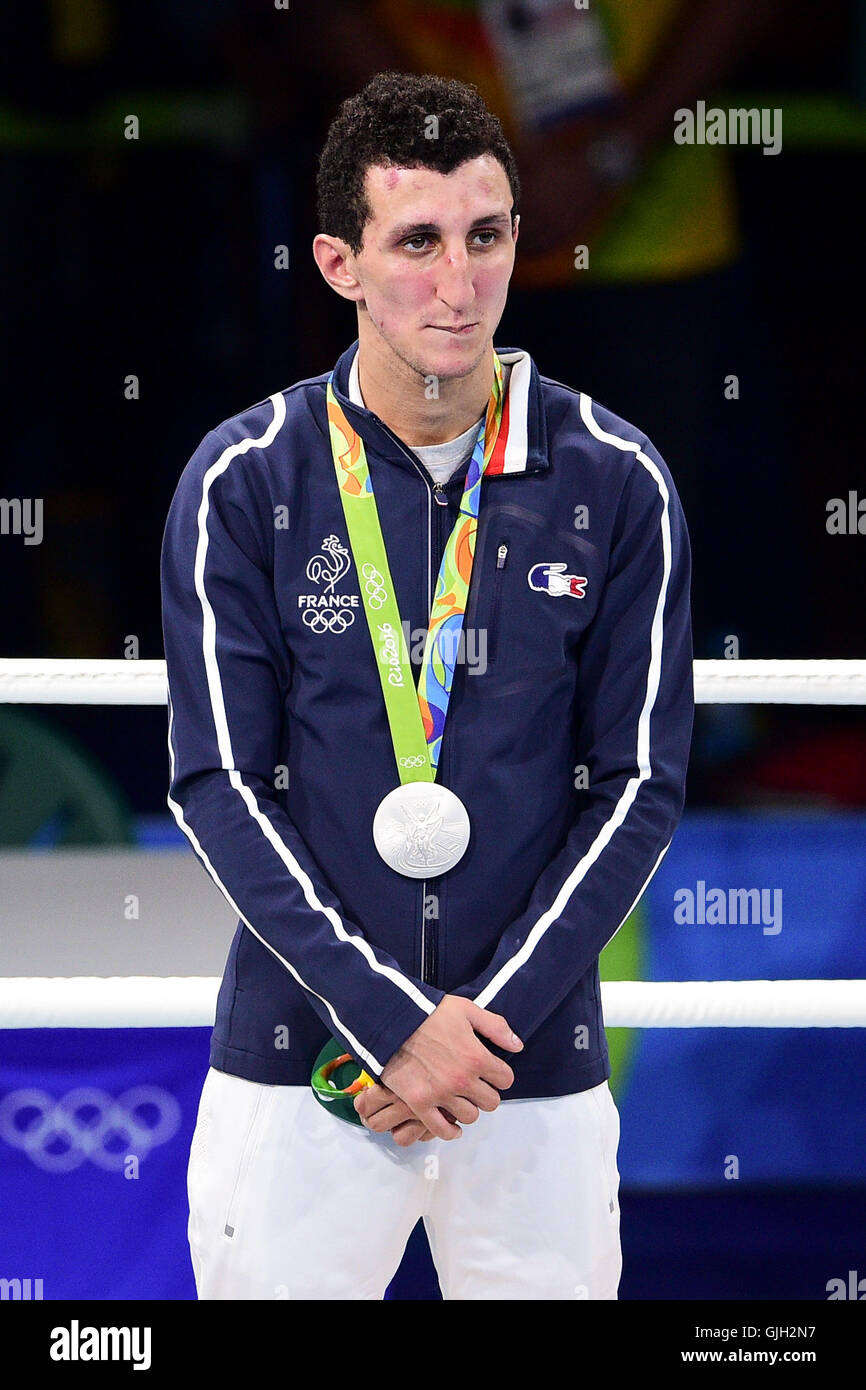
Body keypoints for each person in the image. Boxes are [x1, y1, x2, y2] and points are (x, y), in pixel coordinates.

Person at [160, 71, 694, 1301]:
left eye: (486, 237)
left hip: (526, 1065)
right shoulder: (246, 478)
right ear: (339, 263)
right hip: (299, 1063)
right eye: (417, 243)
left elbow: (636, 789)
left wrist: (471, 1032)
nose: (458, 287)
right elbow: (219, 784)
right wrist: (393, 1023)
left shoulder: (614, 478)